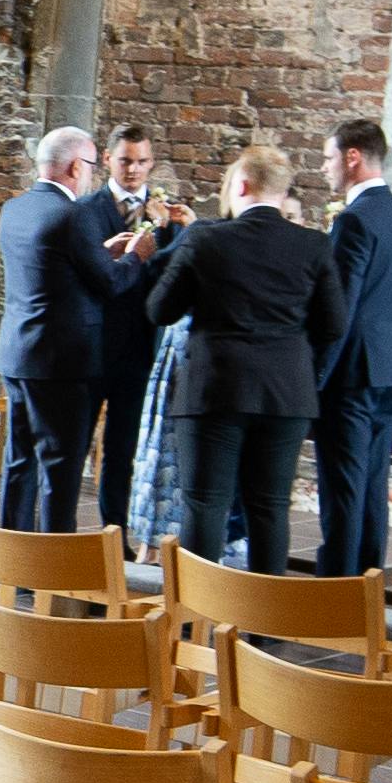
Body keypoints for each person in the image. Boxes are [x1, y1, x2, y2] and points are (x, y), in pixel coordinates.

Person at [141, 142, 341, 569]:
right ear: (282, 192)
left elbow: (161, 309)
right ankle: (261, 628)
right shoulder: (314, 246)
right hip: (285, 393)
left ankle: (195, 618)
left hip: (215, 388)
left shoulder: (207, 239)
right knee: (269, 507)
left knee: (205, 504)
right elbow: (333, 326)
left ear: (242, 184)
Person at [0, 125, 139, 534]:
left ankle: (13, 563)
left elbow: (52, 267)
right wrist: (137, 256)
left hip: (18, 352)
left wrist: (100, 253)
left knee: (20, 462)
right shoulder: (75, 215)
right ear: (76, 166)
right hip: (62, 361)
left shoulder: (15, 208)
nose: (90, 174)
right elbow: (111, 284)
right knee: (61, 466)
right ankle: (54, 573)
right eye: (90, 164)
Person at [319, 116, 392, 579]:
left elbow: (338, 310)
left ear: (352, 158)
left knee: (343, 486)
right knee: (372, 482)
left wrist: (314, 377)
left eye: (327, 158)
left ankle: (337, 594)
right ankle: (368, 581)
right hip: (390, 365)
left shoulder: (354, 220)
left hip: (352, 371)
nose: (323, 168)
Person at [87, 121, 173, 541]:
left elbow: (174, 275)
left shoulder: (168, 218)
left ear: (151, 163)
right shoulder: (87, 209)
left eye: (141, 162)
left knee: (122, 452)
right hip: (94, 342)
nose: (133, 170)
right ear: (108, 159)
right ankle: (57, 542)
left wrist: (174, 232)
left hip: (139, 347)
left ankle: (114, 541)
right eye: (125, 160)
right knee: (75, 445)